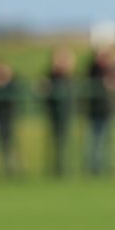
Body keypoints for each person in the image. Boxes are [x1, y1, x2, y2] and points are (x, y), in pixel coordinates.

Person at [84, 45, 115, 175]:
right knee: (96, 141)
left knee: (110, 141)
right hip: (96, 111)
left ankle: (109, 167)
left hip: (110, 111)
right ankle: (95, 168)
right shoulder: (94, 70)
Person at [43, 47, 76, 177]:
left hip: (68, 115)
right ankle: (57, 169)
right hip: (54, 115)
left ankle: (68, 168)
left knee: (68, 142)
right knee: (56, 143)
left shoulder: (71, 77)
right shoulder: (49, 76)